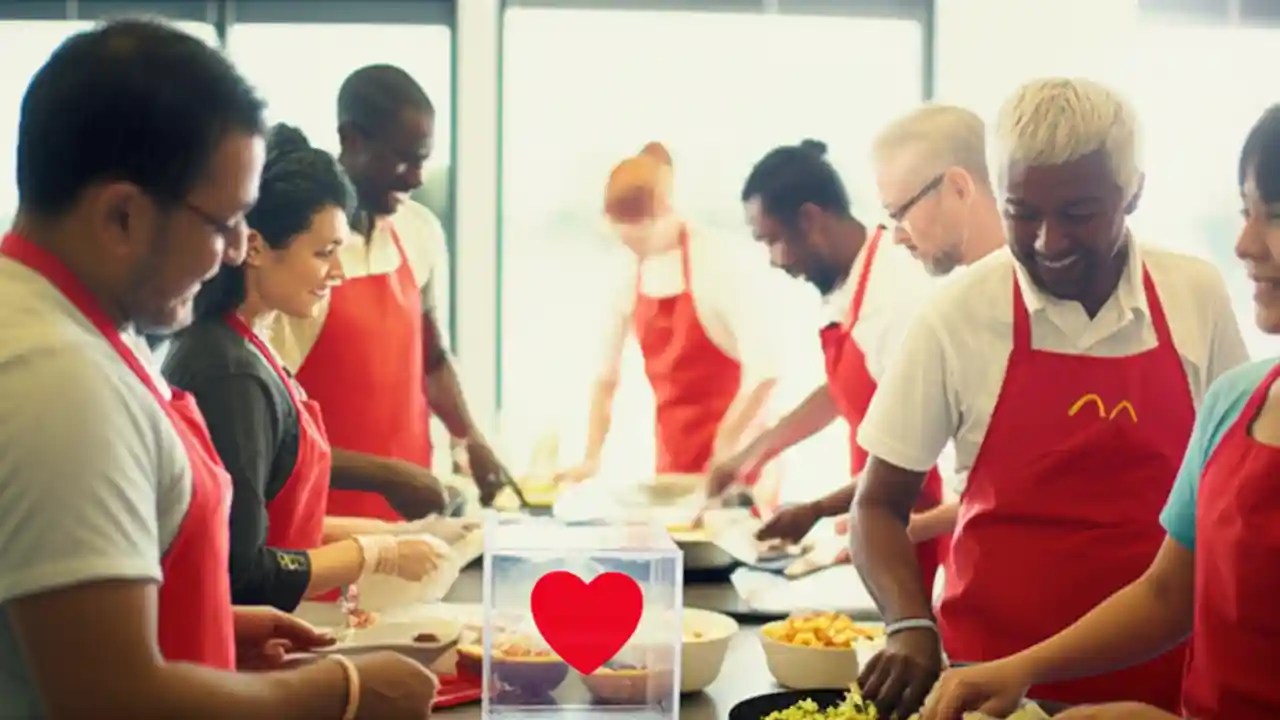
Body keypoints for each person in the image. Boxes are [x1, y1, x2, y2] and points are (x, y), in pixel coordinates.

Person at [0, 19, 433, 719]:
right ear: (121, 217)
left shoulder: (75, 330)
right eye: (223, 223)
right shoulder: (59, 381)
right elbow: (108, 695)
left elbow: (72, 627)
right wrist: (342, 691)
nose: (236, 252)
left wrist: (216, 626)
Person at [849, 77, 1250, 717]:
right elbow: (877, 506)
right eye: (1023, 213)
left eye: (1078, 214)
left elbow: (1231, 504)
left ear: (1134, 191)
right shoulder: (955, 314)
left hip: (1164, 693)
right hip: (989, 693)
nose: (1048, 243)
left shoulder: (1195, 296)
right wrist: (908, 624)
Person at [163, 124, 473, 611]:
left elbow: (275, 524)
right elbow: (242, 573)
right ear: (258, 247)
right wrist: (377, 554)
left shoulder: (250, 349)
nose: (339, 271)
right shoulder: (229, 374)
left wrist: (411, 535)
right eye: (325, 253)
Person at [269, 64, 510, 519]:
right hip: (316, 524)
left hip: (411, 518)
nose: (417, 177)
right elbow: (271, 422)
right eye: (404, 158)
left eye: (423, 159)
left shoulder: (420, 231)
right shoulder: (301, 249)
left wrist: (471, 439)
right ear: (351, 139)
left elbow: (432, 358)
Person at [709, 139, 944, 593]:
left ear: (811, 219)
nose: (775, 261)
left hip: (916, 540)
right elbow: (842, 390)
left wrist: (817, 510)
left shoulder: (895, 297)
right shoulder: (850, 285)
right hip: (878, 526)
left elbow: (914, 459)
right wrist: (751, 454)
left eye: (774, 240)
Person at [558, 143, 784, 504]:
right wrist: (591, 457)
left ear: (666, 211)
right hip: (673, 458)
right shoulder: (629, 272)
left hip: (743, 459)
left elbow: (765, 372)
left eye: (639, 236)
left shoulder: (717, 262)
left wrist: (726, 449)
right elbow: (605, 379)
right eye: (623, 237)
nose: (633, 247)